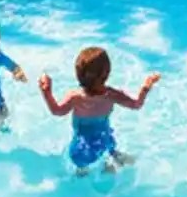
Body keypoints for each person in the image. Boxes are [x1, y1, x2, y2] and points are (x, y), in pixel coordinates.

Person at [38, 47, 160, 176]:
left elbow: (57, 111)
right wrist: (145, 88)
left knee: (82, 172)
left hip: (81, 149)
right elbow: (136, 104)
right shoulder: (112, 95)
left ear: (78, 75)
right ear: (107, 73)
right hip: (104, 140)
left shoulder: (76, 98)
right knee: (110, 158)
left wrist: (46, 92)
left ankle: (84, 176)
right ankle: (114, 168)